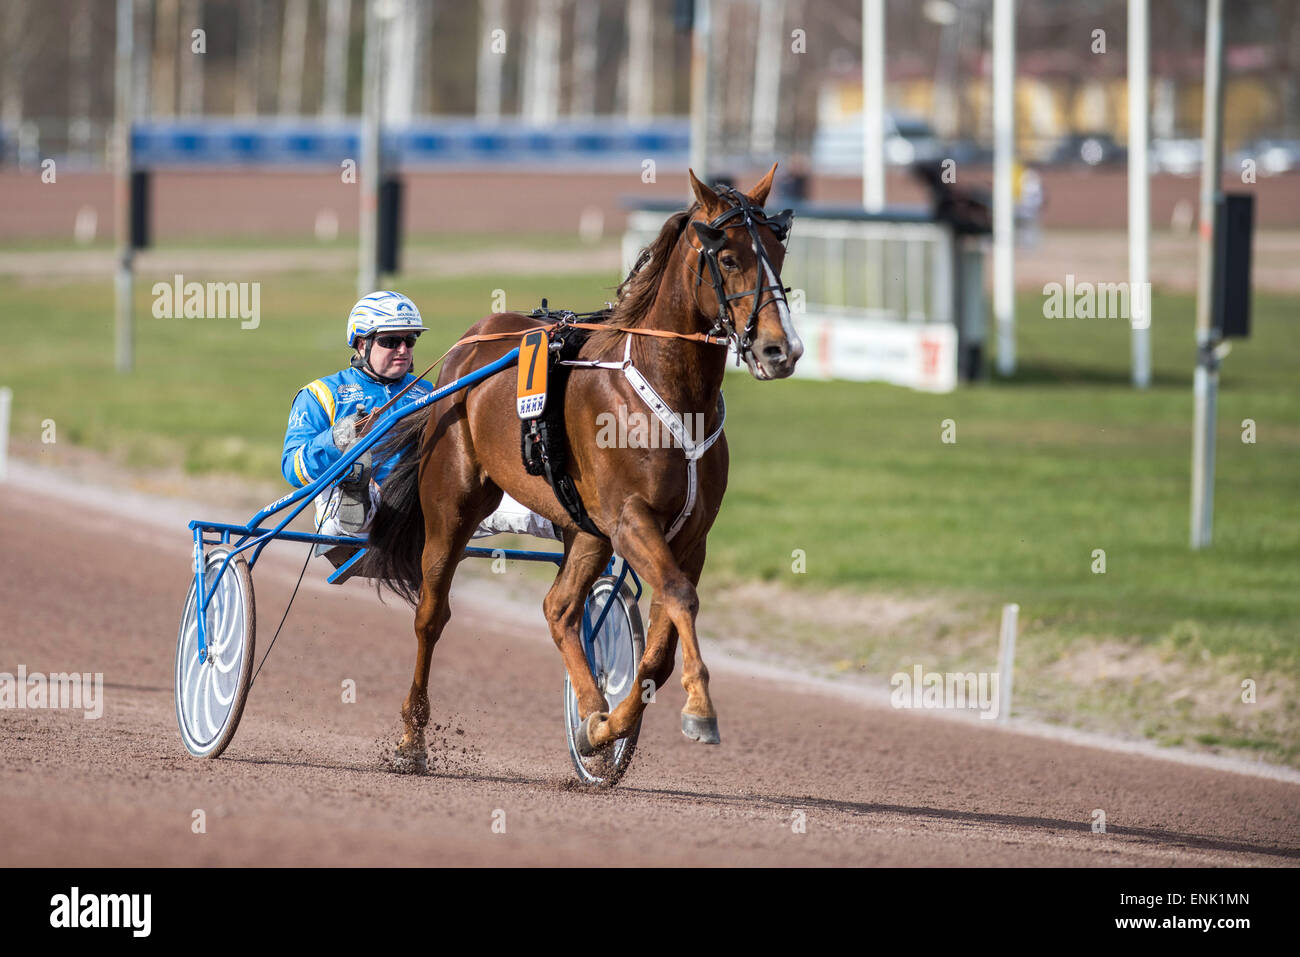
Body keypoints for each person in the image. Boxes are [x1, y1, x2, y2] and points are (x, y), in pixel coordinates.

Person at [281, 291, 557, 566]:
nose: (403, 349)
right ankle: (356, 490)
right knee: (354, 478)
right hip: (360, 513)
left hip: (424, 508)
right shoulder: (321, 394)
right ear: (361, 344)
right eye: (390, 341)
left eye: (409, 340)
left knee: (508, 500)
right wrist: (336, 438)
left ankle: (574, 523)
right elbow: (292, 468)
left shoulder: (430, 392)